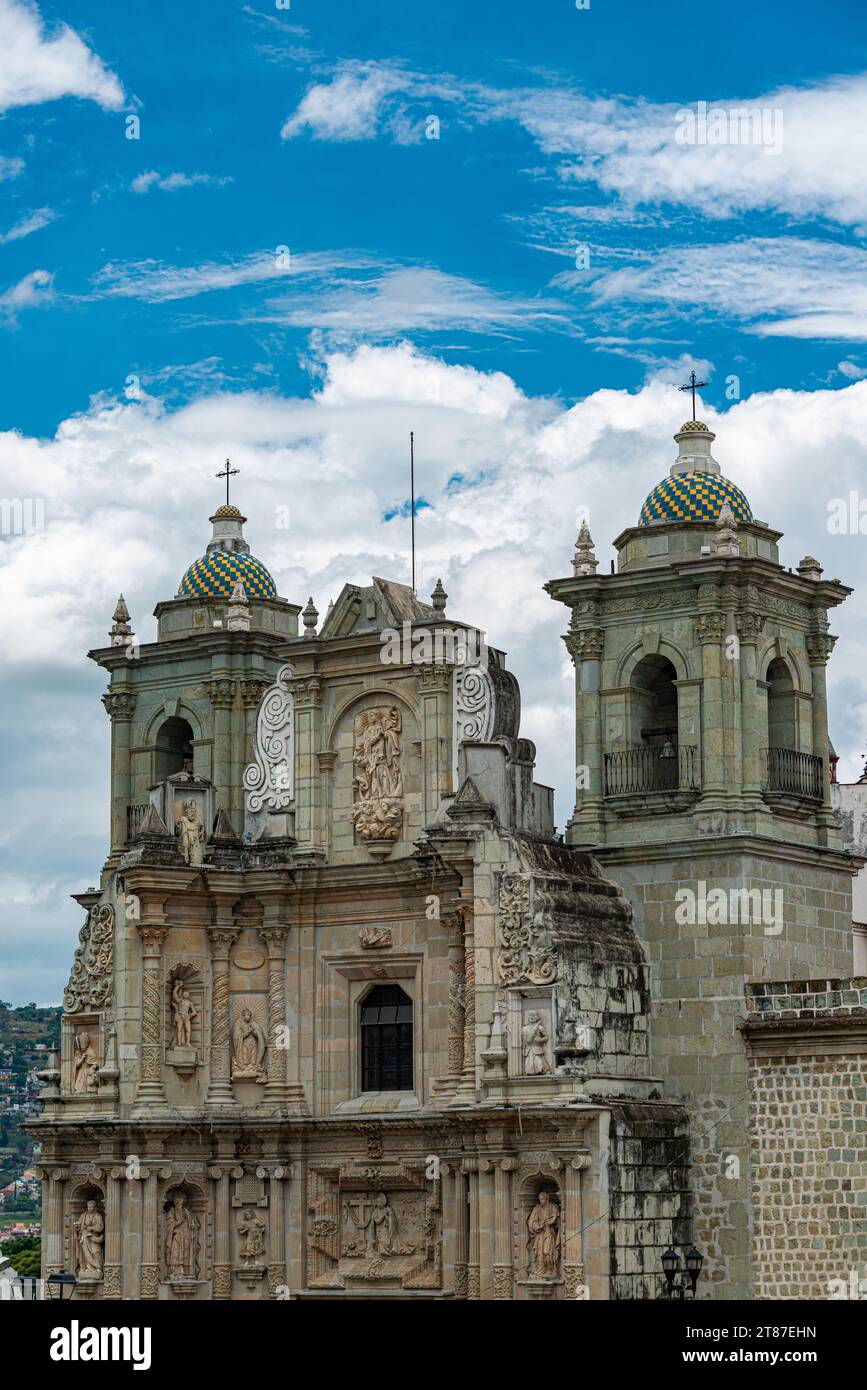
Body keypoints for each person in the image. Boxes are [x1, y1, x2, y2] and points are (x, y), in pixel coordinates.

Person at [527, 1191, 560, 1279]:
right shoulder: (537, 1209)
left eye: (542, 1199)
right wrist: (538, 1226)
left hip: (549, 1232)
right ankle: (541, 1269)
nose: (541, 1201)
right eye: (540, 1199)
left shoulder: (553, 1207)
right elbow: (531, 1222)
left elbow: (558, 1221)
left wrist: (553, 1221)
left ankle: (551, 1270)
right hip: (540, 1235)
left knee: (547, 1251)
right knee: (539, 1253)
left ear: (547, 1199)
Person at [75, 1200, 105, 1277]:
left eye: (91, 1207)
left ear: (95, 1208)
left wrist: (90, 1228)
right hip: (84, 1238)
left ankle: (97, 1268)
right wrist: (77, 1226)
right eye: (88, 1207)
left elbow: (100, 1227)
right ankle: (88, 1267)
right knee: (85, 1254)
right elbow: (79, 1225)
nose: (89, 1208)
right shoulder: (83, 1215)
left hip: (94, 1238)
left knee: (96, 1251)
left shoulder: (98, 1216)